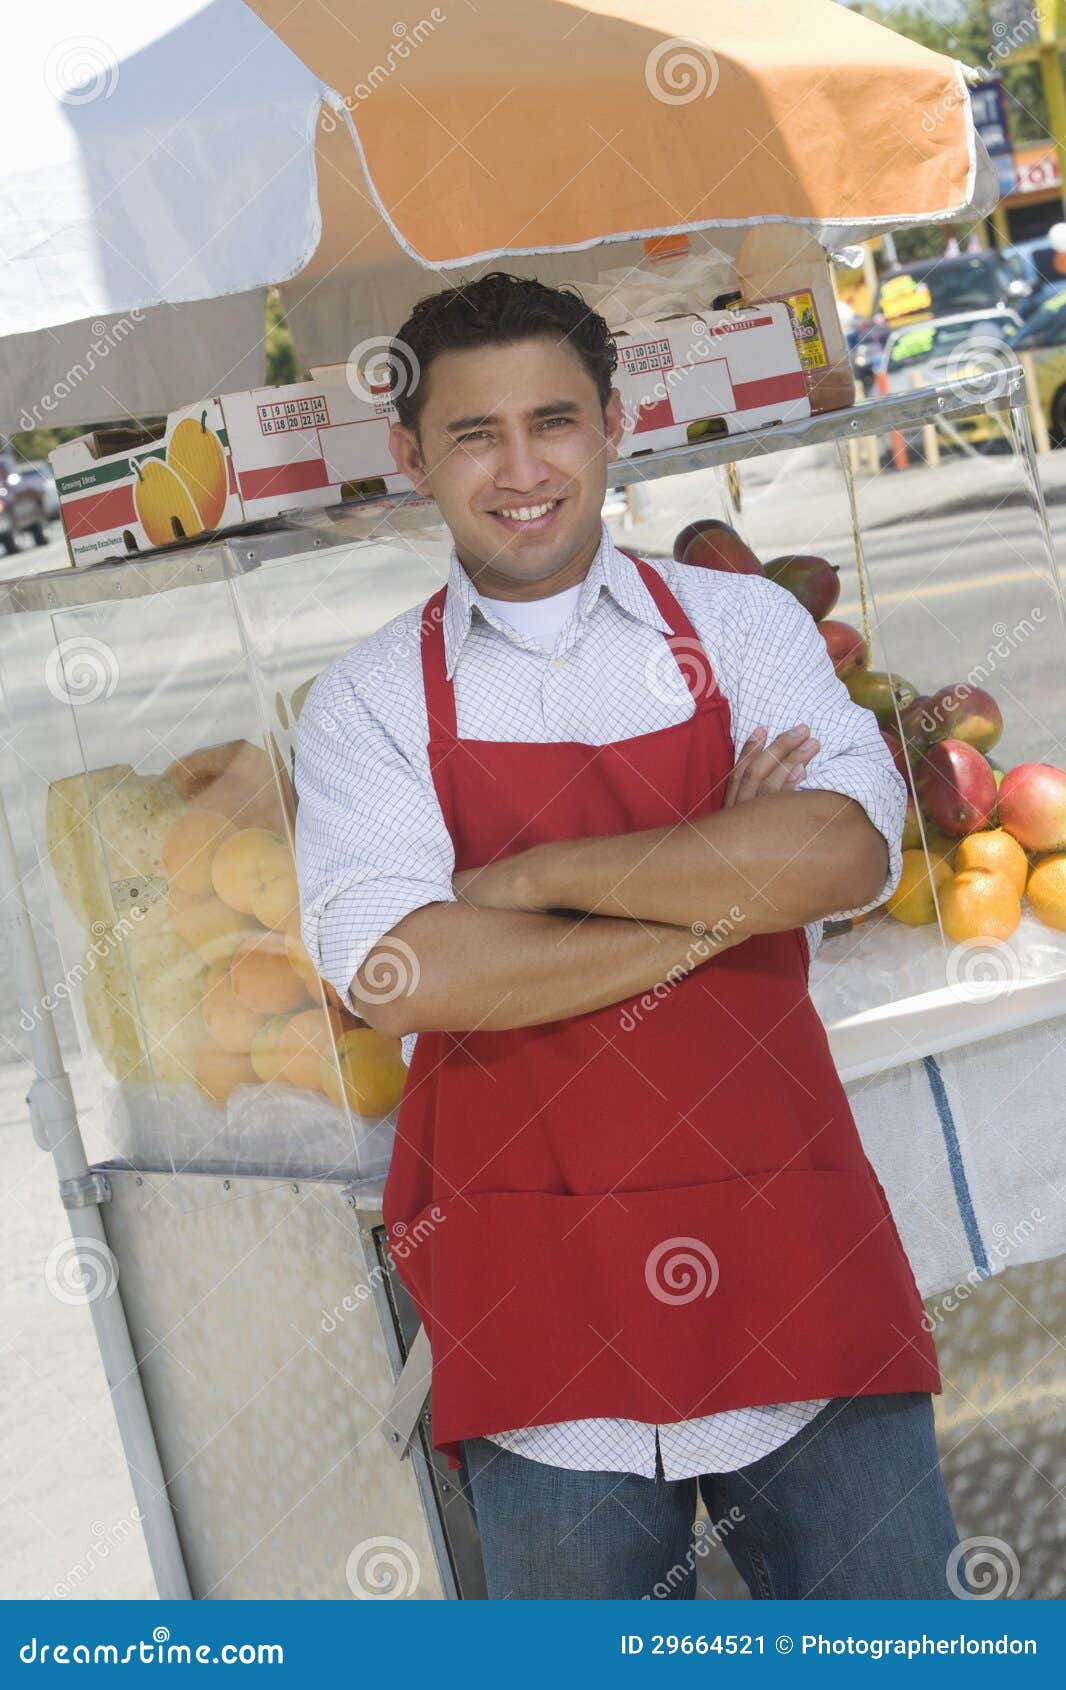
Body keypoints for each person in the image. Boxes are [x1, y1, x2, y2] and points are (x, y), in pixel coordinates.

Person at [294, 272, 962, 1601]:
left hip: (790, 1245)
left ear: (613, 424)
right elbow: (399, 972)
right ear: (410, 455)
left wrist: (527, 879)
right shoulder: (365, 700)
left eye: (553, 420)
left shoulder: (743, 624)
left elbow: (838, 850)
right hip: (533, 1290)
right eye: (475, 433)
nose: (521, 467)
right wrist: (723, 882)